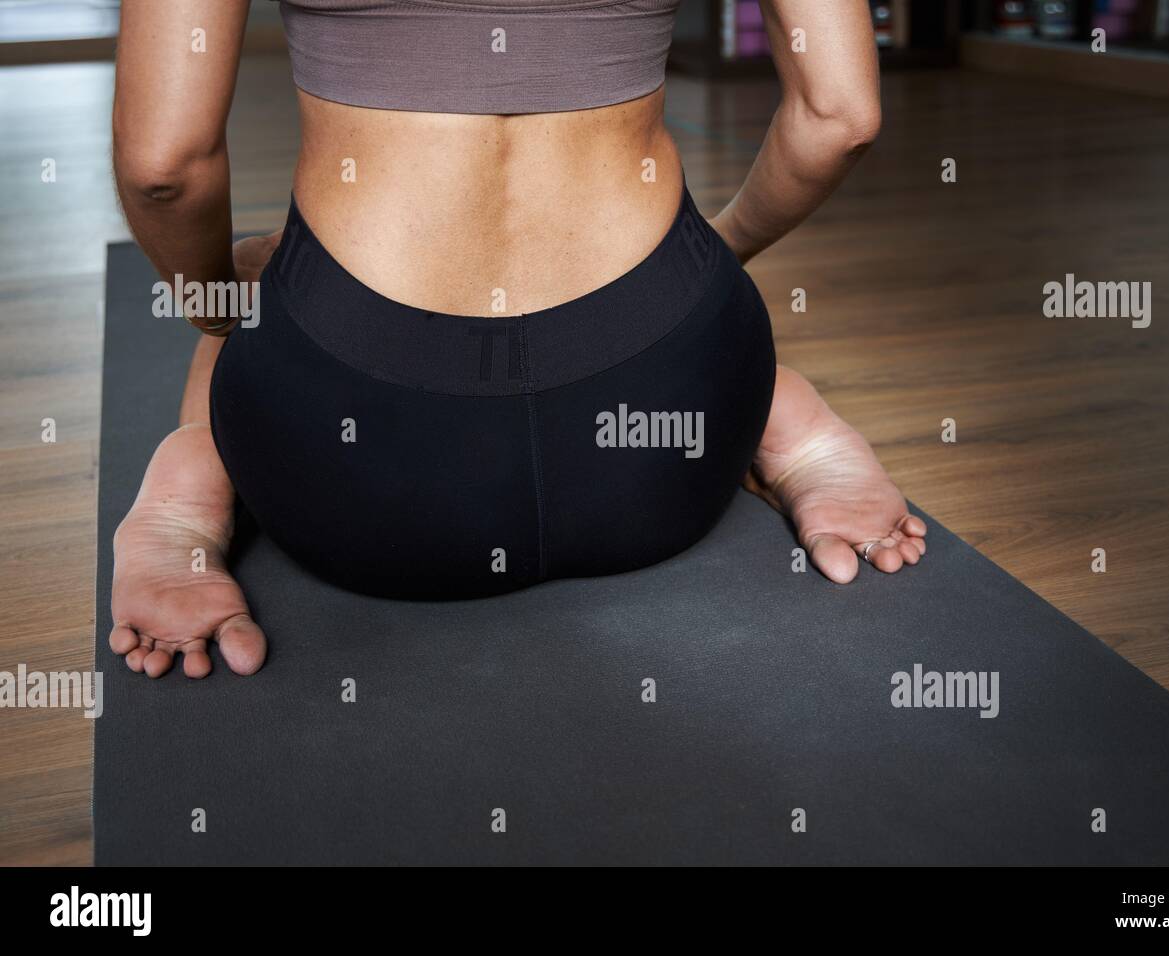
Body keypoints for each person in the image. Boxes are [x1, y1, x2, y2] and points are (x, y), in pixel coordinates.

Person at [109, 0, 927, 679]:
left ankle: (190, 486)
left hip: (356, 474)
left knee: (242, 278)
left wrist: (223, 310)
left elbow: (165, 167)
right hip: (671, 433)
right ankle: (791, 427)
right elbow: (840, 116)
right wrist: (722, 249)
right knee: (687, 300)